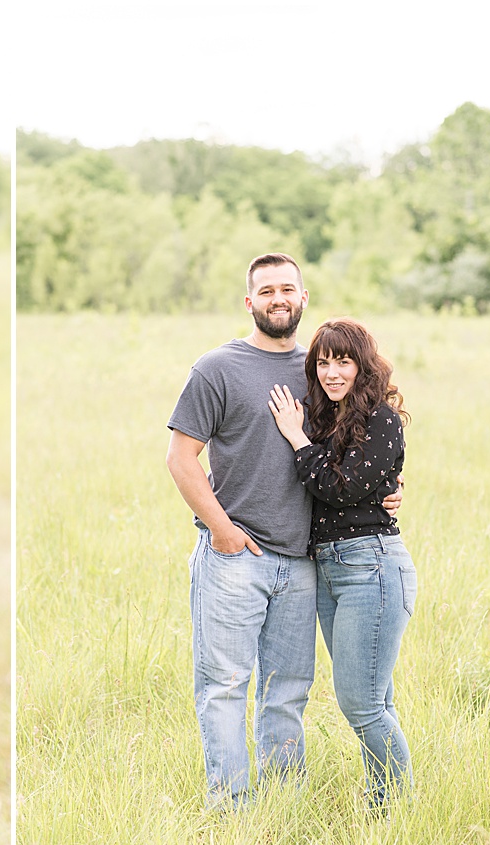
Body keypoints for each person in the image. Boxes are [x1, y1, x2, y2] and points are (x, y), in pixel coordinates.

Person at [165, 252, 401, 811]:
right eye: (266, 290)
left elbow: (359, 449)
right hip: (234, 556)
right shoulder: (217, 368)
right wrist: (222, 531)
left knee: (288, 694)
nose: (278, 298)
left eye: (287, 288)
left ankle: (282, 807)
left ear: (303, 297)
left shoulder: (321, 367)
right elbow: (180, 457)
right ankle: (230, 810)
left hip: (304, 563)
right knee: (224, 689)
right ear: (250, 302)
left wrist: (386, 490)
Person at [267, 317, 416, 811]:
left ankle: (393, 811)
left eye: (344, 362)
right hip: (331, 570)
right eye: (324, 362)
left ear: (363, 366)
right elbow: (335, 492)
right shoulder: (329, 417)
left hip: (369, 568)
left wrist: (297, 440)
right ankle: (388, 806)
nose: (332, 372)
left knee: (362, 705)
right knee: (377, 702)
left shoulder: (380, 420)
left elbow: (340, 487)